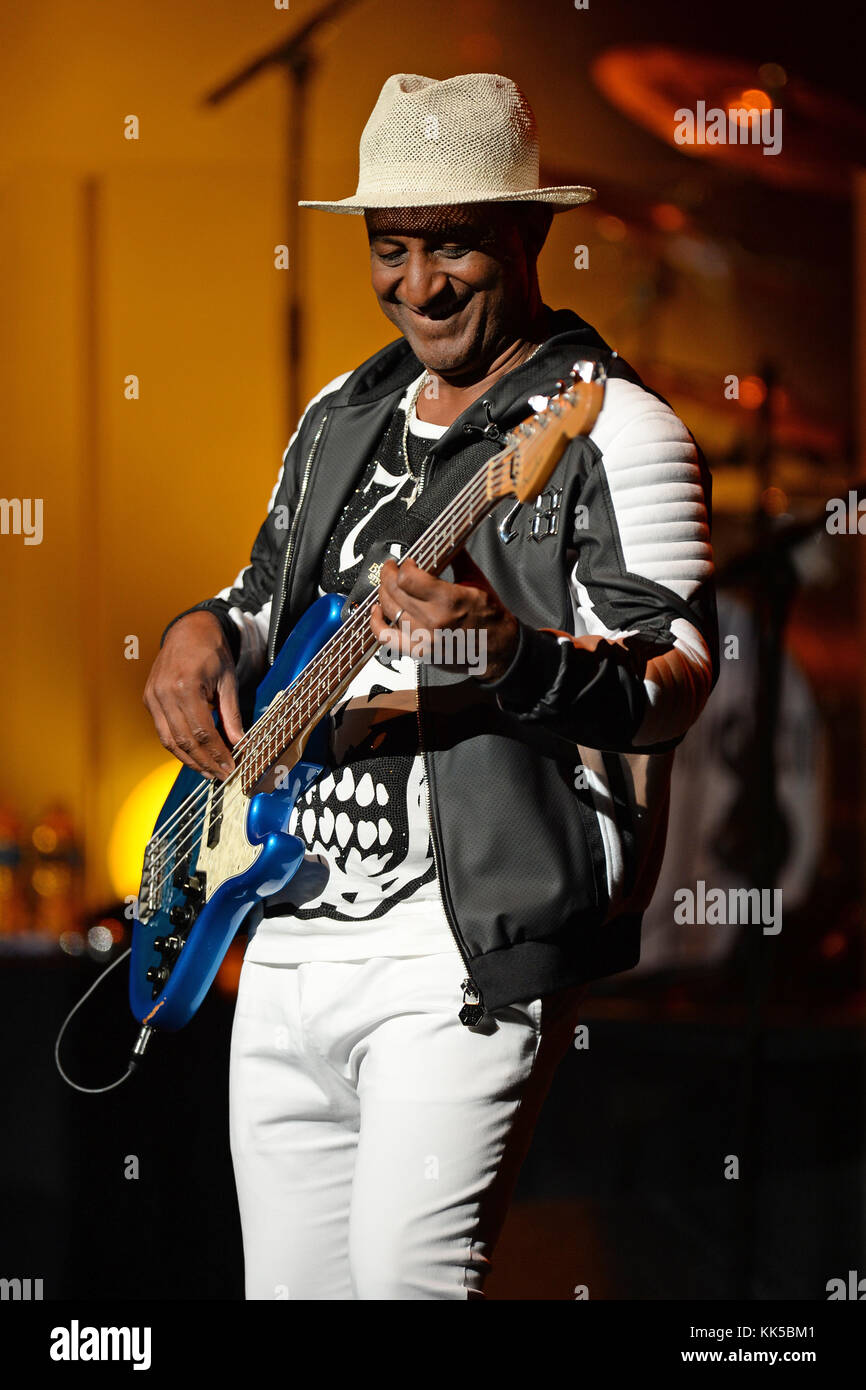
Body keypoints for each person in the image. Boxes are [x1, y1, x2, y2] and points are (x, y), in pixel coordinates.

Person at [143, 72, 718, 1300]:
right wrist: (202, 631)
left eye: (450, 245)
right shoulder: (339, 412)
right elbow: (260, 602)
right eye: (390, 249)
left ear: (532, 235)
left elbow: (673, 682)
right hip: (288, 929)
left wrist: (506, 651)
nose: (418, 284)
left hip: (460, 945)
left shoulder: (614, 428)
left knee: (409, 1285)